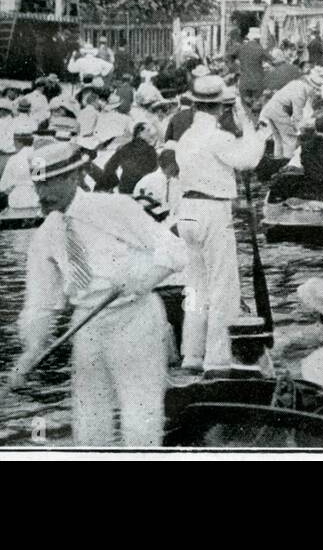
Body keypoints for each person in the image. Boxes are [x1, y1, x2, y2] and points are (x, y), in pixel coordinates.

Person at [16, 142, 189, 446]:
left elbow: (174, 250)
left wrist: (140, 278)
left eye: (49, 183)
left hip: (134, 316)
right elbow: (40, 303)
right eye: (37, 185)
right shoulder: (45, 235)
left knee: (140, 418)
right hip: (87, 324)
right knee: (89, 424)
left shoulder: (116, 207)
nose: (42, 194)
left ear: (73, 177)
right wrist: (32, 347)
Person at [174, 75, 270, 371]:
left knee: (195, 287)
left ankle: (191, 354)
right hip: (213, 211)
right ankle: (217, 359)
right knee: (223, 287)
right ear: (219, 108)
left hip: (187, 210)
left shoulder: (186, 138)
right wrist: (254, 131)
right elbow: (250, 160)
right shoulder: (218, 138)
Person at [260, 66, 323, 158]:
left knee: (279, 139)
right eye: (315, 89)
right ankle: (288, 161)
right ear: (311, 86)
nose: (315, 92)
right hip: (279, 111)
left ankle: (278, 160)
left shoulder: (298, 84)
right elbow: (297, 116)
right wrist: (301, 129)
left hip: (271, 109)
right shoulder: (301, 93)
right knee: (290, 140)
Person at [94, 120, 160, 195]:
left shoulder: (125, 148)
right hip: (144, 189)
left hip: (125, 188)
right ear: (139, 133)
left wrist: (114, 183)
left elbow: (109, 166)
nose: (150, 134)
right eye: (148, 131)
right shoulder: (150, 150)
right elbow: (154, 169)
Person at [133, 145, 182, 223]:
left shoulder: (173, 180)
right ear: (172, 164)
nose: (178, 168)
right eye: (177, 164)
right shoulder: (152, 181)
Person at [0, 120, 41, 210]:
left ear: (18, 142)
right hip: (35, 199)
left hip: (17, 201)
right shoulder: (38, 157)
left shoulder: (13, 159)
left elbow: (3, 186)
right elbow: (40, 182)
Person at [231, 27, 273, 109]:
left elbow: (228, 56)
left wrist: (236, 66)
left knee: (245, 109)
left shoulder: (241, 47)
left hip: (244, 81)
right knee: (256, 108)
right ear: (257, 38)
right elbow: (272, 60)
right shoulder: (260, 49)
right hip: (257, 82)